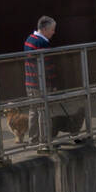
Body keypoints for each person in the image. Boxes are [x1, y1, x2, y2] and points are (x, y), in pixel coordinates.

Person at [23, 15, 59, 143]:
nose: (53, 32)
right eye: (52, 29)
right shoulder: (42, 43)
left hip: (30, 82)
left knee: (33, 110)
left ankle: (33, 138)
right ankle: (45, 139)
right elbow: (48, 67)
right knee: (43, 110)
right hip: (41, 83)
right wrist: (53, 83)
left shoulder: (29, 39)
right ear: (44, 29)